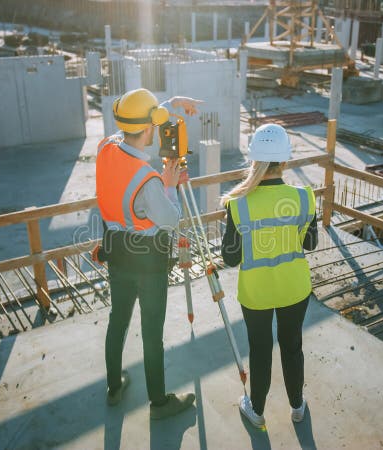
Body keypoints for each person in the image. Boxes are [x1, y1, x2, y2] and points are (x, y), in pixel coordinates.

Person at [94, 88, 202, 420]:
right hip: (148, 263)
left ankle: (114, 387)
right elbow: (171, 220)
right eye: (154, 122)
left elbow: (132, 123)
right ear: (149, 129)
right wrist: (169, 184)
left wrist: (171, 106)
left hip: (117, 255)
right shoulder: (148, 179)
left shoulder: (105, 148)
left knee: (118, 321)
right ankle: (159, 403)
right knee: (151, 332)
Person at [220, 123, 318, 427]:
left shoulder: (238, 205)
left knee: (260, 351)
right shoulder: (304, 197)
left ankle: (257, 411)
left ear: (254, 161)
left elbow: (230, 258)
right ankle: (298, 407)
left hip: (256, 293)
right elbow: (310, 244)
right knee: (292, 346)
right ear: (285, 162)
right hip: (294, 289)